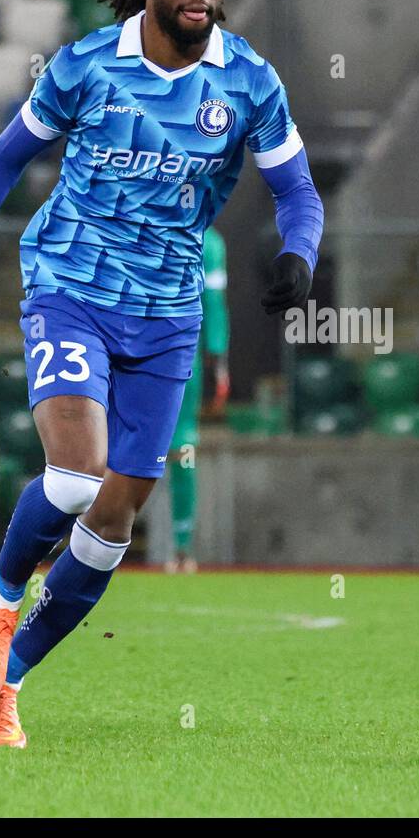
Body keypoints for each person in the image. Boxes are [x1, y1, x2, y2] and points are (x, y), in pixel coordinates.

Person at [0, 0, 324, 748]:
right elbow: (3, 160)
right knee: (75, 474)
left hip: (169, 315)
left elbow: (298, 191)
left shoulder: (248, 82)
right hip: (71, 284)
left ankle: (5, 686)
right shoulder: (87, 66)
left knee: (114, 523)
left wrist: (299, 254)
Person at [165, 225, 230, 575]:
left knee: (182, 449)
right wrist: (219, 360)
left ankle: (181, 546)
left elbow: (214, 304)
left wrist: (217, 357)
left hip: (178, 358)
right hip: (137, 352)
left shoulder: (209, 243)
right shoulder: (208, 240)